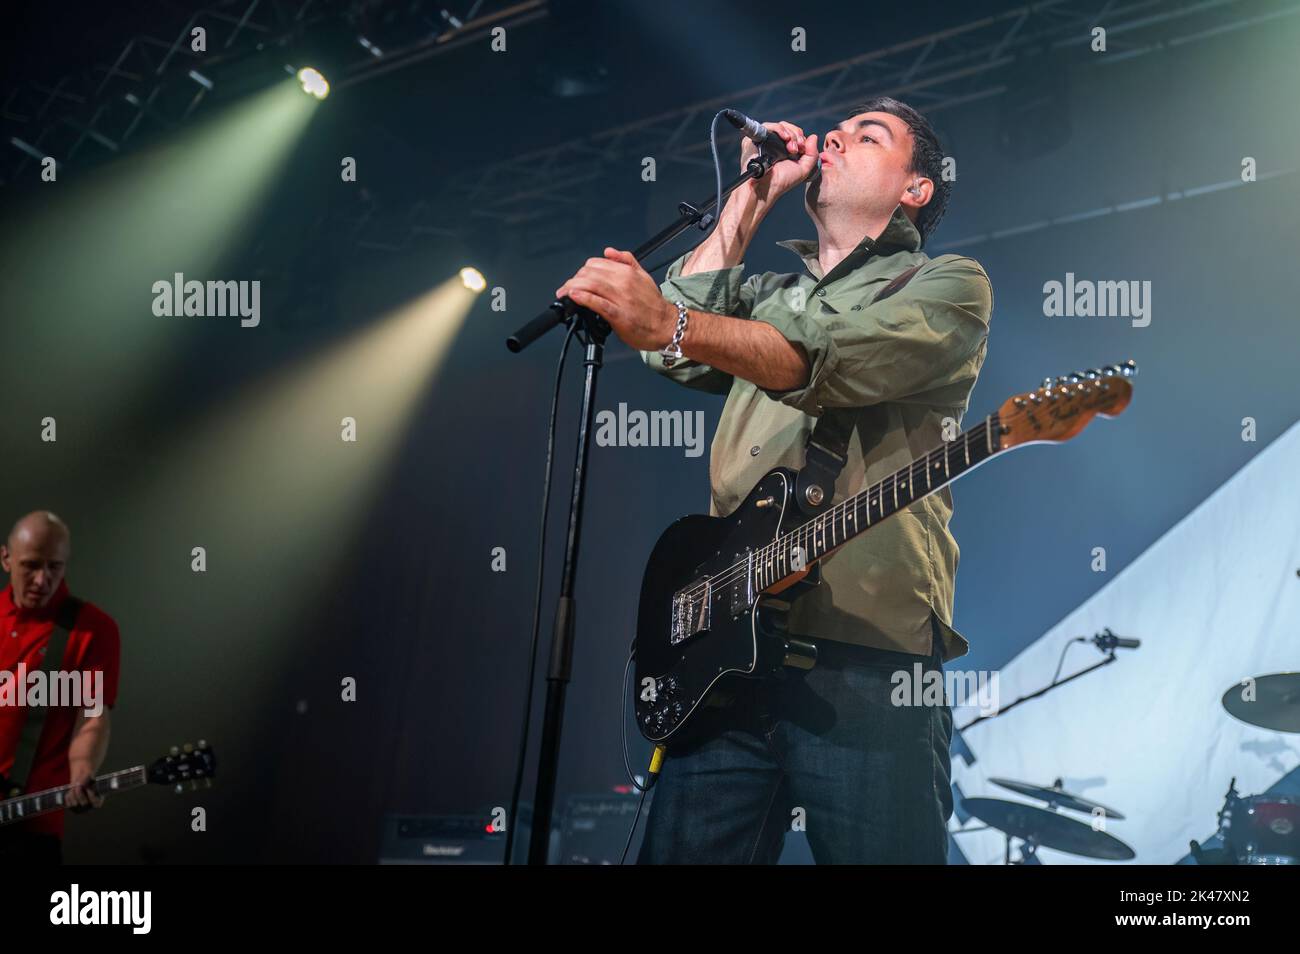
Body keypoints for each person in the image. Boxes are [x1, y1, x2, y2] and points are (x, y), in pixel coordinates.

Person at [555, 97, 992, 863]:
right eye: (840, 127)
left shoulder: (947, 285)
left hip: (867, 660)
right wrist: (751, 198)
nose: (835, 138)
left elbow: (826, 354)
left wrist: (675, 324)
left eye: (869, 135)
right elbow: (673, 337)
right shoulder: (769, 299)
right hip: (725, 654)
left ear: (915, 189)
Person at [0, 511, 120, 864]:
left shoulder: (92, 628)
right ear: (5, 559)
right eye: (31, 565)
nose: (42, 579)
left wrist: (83, 769)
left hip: (30, 829)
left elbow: (92, 715)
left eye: (54, 567)